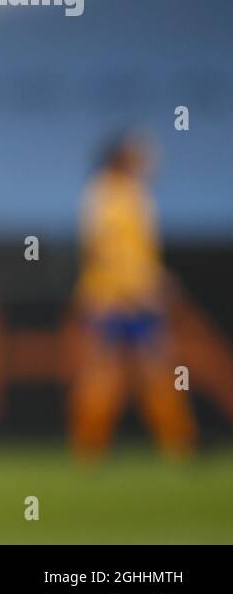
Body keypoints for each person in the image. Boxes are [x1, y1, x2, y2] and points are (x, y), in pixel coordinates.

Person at [69, 130, 194, 461]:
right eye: (140, 155)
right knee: (105, 374)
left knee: (154, 372)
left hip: (134, 297)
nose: (148, 161)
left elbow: (138, 253)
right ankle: (88, 449)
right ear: (122, 157)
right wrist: (142, 286)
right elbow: (106, 252)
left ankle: (178, 447)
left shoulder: (135, 194)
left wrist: (156, 279)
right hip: (111, 300)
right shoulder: (105, 195)